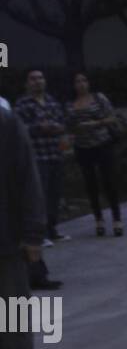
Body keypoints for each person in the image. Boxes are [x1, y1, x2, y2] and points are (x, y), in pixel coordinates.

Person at [0, 104, 46, 349]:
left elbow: (28, 179)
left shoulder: (6, 123)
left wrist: (32, 235)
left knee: (12, 314)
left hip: (6, 238)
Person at [15, 69, 68, 245]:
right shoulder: (22, 104)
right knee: (40, 196)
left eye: (40, 78)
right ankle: (41, 234)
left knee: (55, 194)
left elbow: (62, 123)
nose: (38, 81)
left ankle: (53, 230)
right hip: (37, 157)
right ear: (27, 83)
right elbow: (20, 130)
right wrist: (40, 128)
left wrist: (57, 128)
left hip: (55, 154)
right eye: (33, 79)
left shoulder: (52, 102)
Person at [66, 73, 123, 237]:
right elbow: (68, 126)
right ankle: (99, 220)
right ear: (73, 85)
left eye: (84, 80)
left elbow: (113, 118)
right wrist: (75, 130)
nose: (81, 84)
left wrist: (95, 123)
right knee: (91, 185)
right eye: (77, 81)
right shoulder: (70, 104)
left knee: (109, 182)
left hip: (103, 145)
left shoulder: (98, 98)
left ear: (89, 82)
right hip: (83, 148)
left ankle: (117, 219)